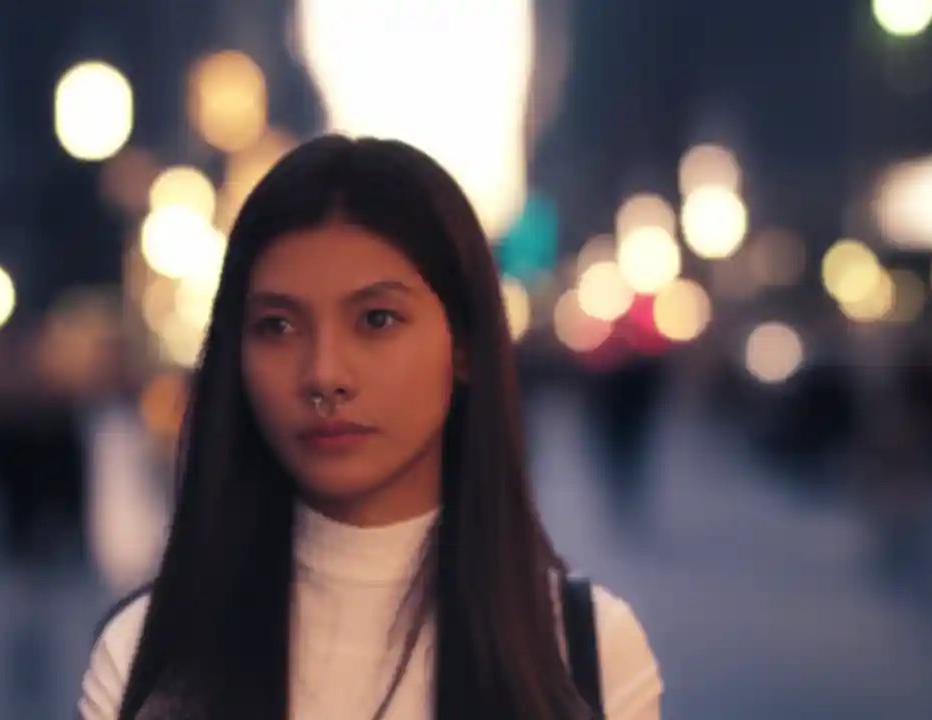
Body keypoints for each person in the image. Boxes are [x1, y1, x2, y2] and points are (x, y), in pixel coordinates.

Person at [77, 135, 662, 719]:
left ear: (463, 345)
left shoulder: (586, 655)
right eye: (278, 326)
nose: (324, 374)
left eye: (377, 320)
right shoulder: (143, 661)